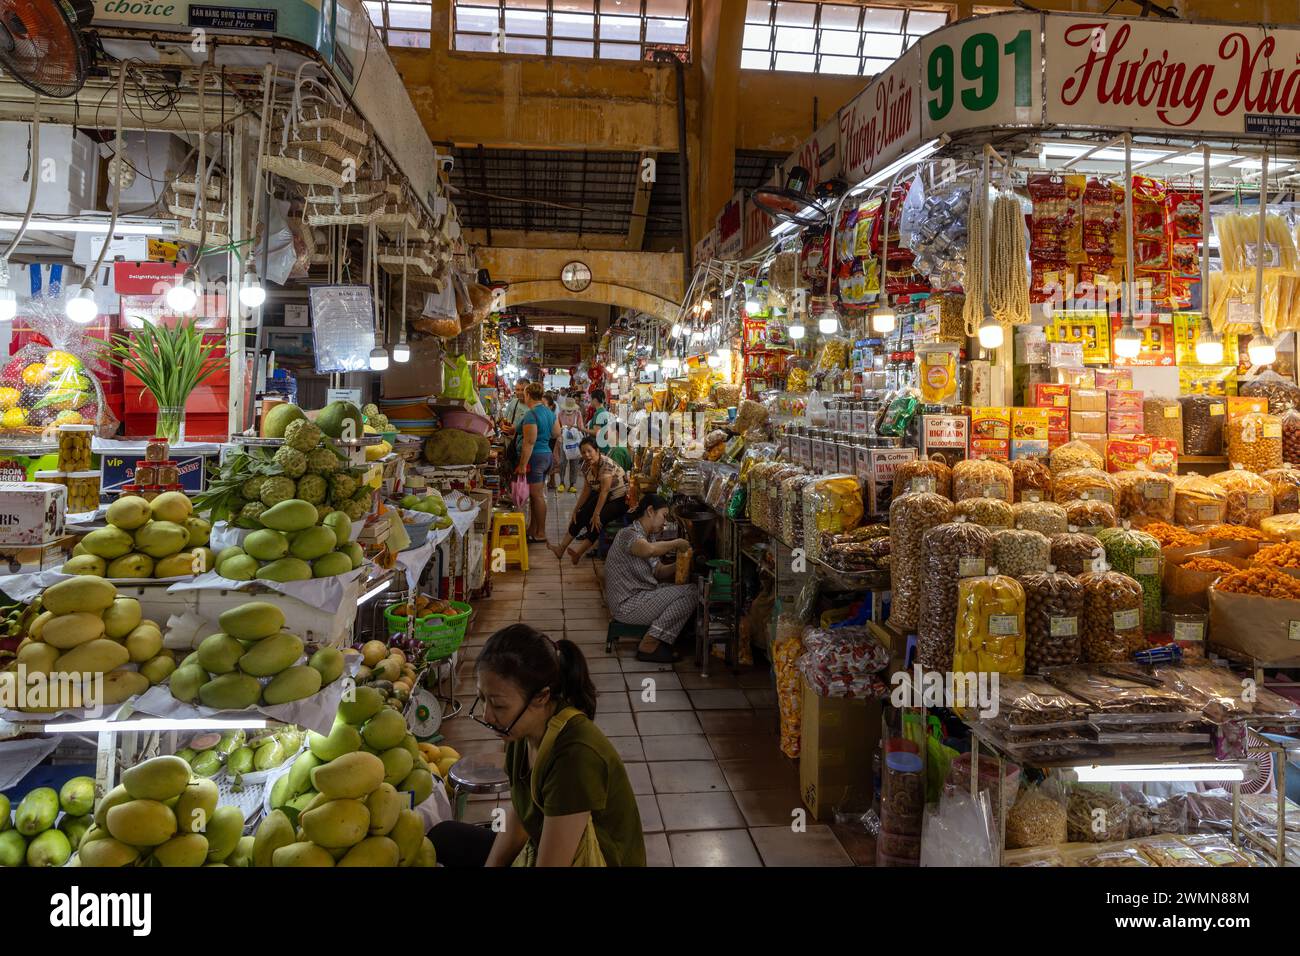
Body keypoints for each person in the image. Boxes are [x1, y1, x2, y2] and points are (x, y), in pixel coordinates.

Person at [427, 624, 645, 867]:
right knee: (443, 837)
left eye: (498, 705)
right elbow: (522, 816)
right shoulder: (522, 732)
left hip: (592, 859)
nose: (487, 715)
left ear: (541, 697)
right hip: (543, 846)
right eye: (482, 698)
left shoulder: (575, 757)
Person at [603, 494, 695, 663]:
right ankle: (649, 644)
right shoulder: (628, 534)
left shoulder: (648, 536)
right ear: (650, 511)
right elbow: (648, 550)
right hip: (628, 606)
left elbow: (659, 571)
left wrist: (683, 563)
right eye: (664, 516)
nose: (665, 522)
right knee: (692, 593)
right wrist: (677, 543)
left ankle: (663, 638)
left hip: (641, 597)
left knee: (688, 589)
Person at [548, 437, 629, 565]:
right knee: (581, 515)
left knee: (597, 521)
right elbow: (587, 489)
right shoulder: (586, 465)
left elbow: (605, 491)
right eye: (583, 452)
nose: (586, 455)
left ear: (597, 450)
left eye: (589, 451)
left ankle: (578, 554)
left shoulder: (606, 465)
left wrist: (596, 514)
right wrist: (576, 509)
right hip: (605, 496)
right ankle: (561, 548)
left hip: (620, 498)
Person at [516, 381, 559, 542]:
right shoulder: (549, 412)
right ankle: (532, 529)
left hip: (536, 457)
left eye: (524, 394)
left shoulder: (531, 415)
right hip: (546, 456)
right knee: (535, 496)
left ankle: (540, 533)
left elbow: (529, 442)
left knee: (537, 495)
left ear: (528, 395)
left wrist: (521, 465)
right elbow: (556, 433)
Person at [555, 395, 584, 492]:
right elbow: (557, 427)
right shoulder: (560, 414)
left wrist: (573, 428)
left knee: (574, 463)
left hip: (575, 442)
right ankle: (562, 482)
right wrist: (560, 434)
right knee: (562, 462)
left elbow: (581, 427)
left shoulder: (578, 414)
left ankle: (572, 484)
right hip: (564, 442)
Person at [585, 388, 614, 452]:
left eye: (591, 399)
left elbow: (597, 432)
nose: (590, 401)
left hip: (601, 448)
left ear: (595, 400)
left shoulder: (599, 413)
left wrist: (583, 429)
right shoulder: (604, 411)